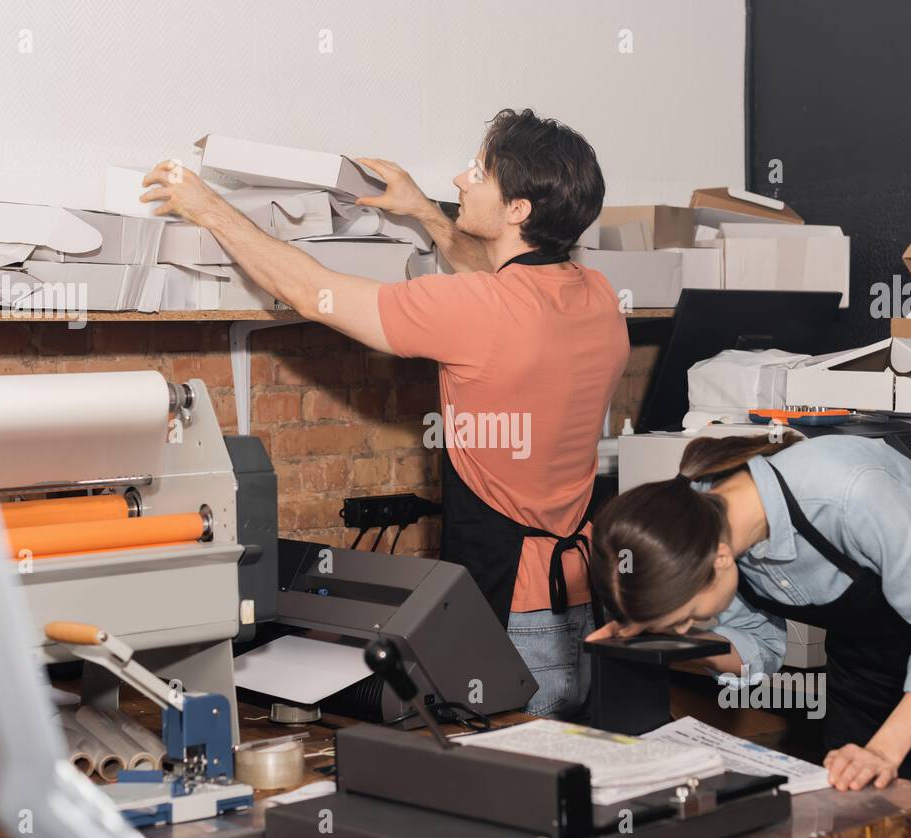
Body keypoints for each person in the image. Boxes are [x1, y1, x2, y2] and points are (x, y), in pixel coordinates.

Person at [141, 109, 628, 719]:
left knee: (506, 792)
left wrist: (206, 207)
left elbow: (309, 292)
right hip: (578, 607)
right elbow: (504, 282)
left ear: (518, 210)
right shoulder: (597, 296)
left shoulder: (479, 309)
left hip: (509, 619)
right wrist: (422, 212)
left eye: (478, 172)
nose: (460, 181)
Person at [587, 432, 911, 838]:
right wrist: (666, 639)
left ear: (718, 561)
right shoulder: (701, 528)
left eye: (686, 618)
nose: (689, 628)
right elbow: (762, 649)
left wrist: (883, 751)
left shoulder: (848, 492)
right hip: (865, 673)